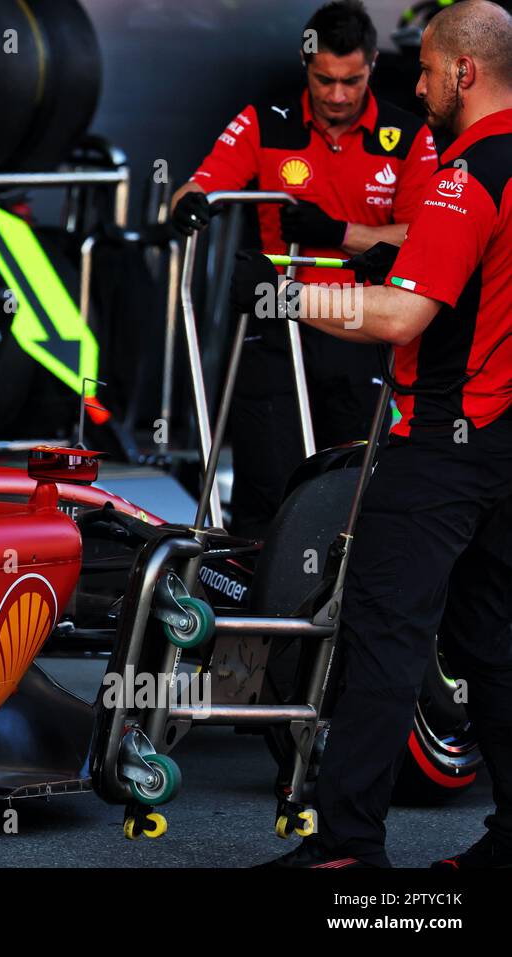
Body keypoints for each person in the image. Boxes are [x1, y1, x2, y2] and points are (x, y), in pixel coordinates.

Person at [230, 0, 512, 868]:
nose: (415, 83)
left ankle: (345, 851)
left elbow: (399, 312)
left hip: (441, 441)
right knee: (493, 641)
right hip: (503, 440)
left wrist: (285, 295)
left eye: (425, 68)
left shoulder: (469, 174)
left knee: (382, 634)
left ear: (464, 72)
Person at [171, 0, 437, 538]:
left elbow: (426, 236)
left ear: (373, 67)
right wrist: (188, 204)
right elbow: (199, 184)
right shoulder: (263, 123)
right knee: (265, 486)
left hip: (362, 325)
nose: (337, 95)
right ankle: (251, 611)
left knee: (356, 486)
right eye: (324, 80)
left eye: (352, 80)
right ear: (305, 64)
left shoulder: (408, 135)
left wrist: (336, 232)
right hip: (276, 324)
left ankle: (337, 610)